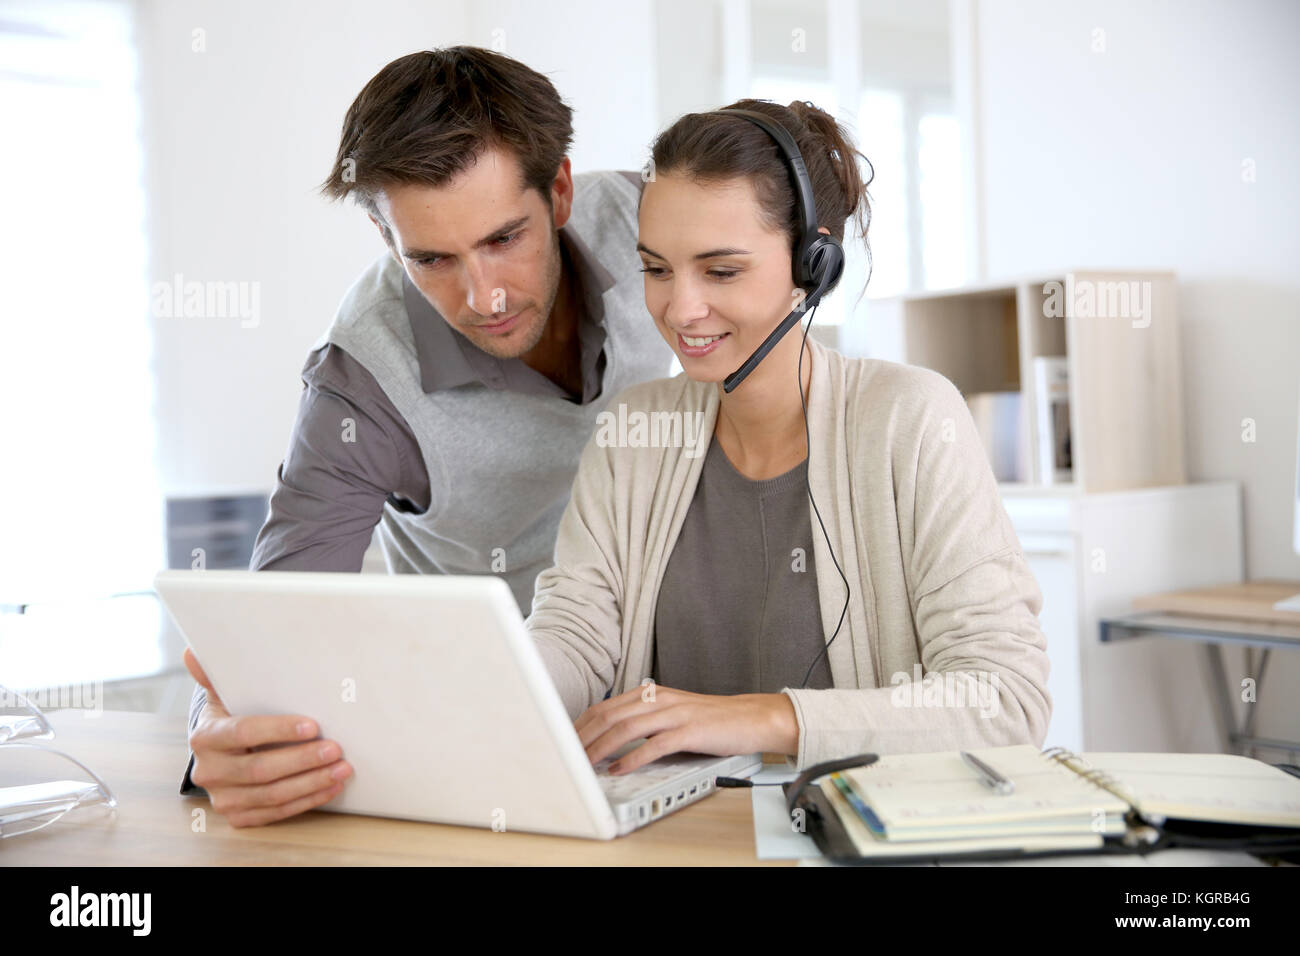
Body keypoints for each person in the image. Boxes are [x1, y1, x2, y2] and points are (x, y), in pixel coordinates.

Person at [179, 47, 674, 826]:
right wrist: (217, 731)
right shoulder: (361, 382)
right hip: (502, 748)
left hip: (695, 707)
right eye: (432, 259)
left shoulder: (656, 227)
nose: (485, 296)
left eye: (505, 238)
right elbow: (278, 626)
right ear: (385, 236)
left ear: (562, 191)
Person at [525, 98, 1053, 774]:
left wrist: (762, 718)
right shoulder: (635, 432)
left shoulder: (910, 418)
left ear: (815, 265)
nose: (680, 308)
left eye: (721, 271)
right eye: (657, 269)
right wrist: (490, 696)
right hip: (675, 836)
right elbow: (574, 632)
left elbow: (1005, 699)